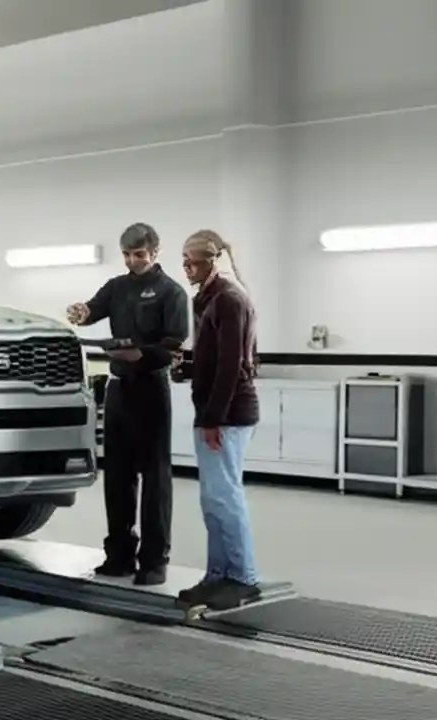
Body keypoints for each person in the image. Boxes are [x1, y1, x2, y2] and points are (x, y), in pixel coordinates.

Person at [67, 223, 189, 586]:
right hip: (119, 388)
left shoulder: (172, 292)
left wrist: (143, 354)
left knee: (155, 477)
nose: (132, 261)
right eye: (126, 255)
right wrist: (80, 311)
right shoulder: (117, 287)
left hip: (151, 387)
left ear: (155, 252)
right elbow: (91, 310)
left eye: (139, 255)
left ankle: (154, 561)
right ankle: (118, 555)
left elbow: (173, 345)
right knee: (117, 476)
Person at [177, 229, 261, 610]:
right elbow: (211, 358)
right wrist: (187, 366)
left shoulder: (229, 299)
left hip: (228, 414)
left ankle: (243, 577)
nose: (186, 268)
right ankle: (217, 574)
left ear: (212, 261)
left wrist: (212, 418)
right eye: (184, 261)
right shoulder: (207, 299)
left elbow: (231, 366)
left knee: (225, 497)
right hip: (212, 411)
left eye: (192, 261)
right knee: (212, 499)